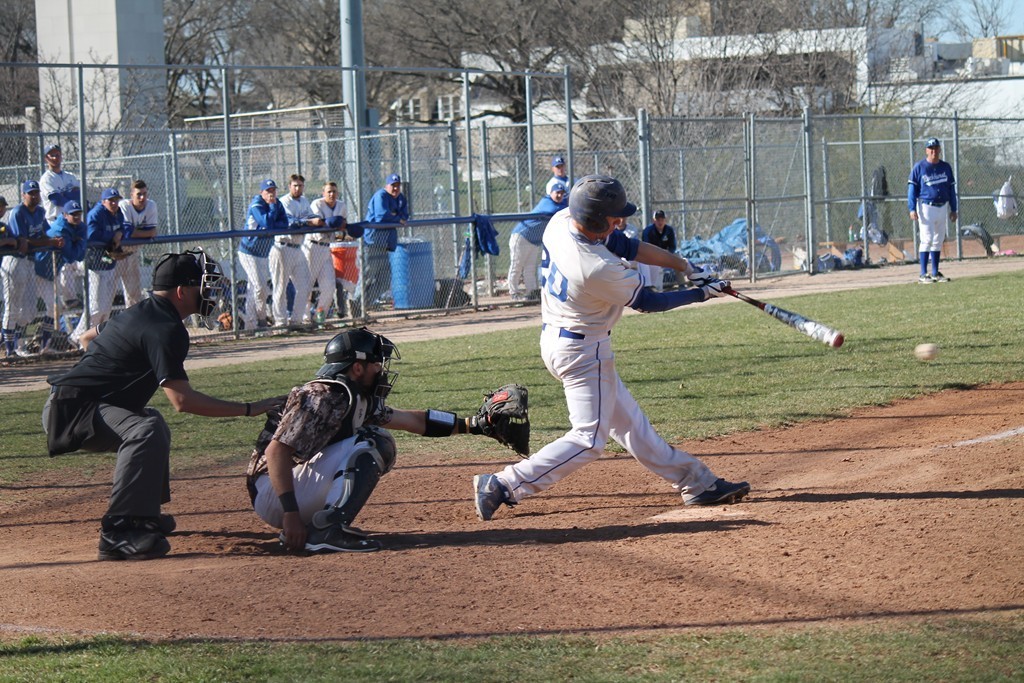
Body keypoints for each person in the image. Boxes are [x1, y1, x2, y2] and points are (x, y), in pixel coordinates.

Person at [473, 175, 750, 521]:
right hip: (583, 352)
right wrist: (701, 293)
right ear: (594, 220)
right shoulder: (594, 267)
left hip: (563, 339)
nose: (620, 221)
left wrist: (686, 267)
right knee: (589, 440)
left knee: (631, 424)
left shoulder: (561, 221)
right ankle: (502, 484)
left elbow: (628, 246)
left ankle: (696, 481)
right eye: (614, 217)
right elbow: (648, 301)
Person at [44, 249, 283, 561]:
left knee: (151, 421)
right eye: (204, 286)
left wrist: (106, 377)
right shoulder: (166, 328)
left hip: (72, 402)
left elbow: (89, 338)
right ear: (182, 291)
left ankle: (144, 513)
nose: (210, 293)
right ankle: (119, 530)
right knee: (146, 428)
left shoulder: (140, 311)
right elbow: (182, 401)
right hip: (73, 411)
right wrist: (251, 407)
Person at [246, 327, 518, 553]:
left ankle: (326, 526)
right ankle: (327, 531)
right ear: (357, 368)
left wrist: (474, 425)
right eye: (377, 364)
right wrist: (291, 514)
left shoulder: (352, 397)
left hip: (290, 486)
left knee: (377, 440)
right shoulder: (322, 396)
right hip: (274, 492)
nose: (382, 370)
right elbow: (275, 453)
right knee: (373, 441)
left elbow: (412, 421)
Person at [3, 180, 62, 357]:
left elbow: (45, 233)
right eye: (30, 193)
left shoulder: (40, 211)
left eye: (36, 192)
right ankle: (10, 349)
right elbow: (25, 242)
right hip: (14, 262)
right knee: (12, 307)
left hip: (29, 263)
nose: (34, 195)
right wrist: (50, 242)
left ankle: (11, 338)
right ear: (23, 195)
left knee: (30, 311)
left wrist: (55, 238)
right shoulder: (18, 212)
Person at [69, 188, 127, 348]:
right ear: (103, 201)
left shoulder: (118, 212)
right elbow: (91, 235)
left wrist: (120, 234)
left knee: (104, 308)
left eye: (116, 199)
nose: (114, 203)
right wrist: (112, 237)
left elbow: (124, 227)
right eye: (111, 200)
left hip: (108, 264)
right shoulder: (96, 214)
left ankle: (87, 339)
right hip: (93, 265)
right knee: (95, 307)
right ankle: (77, 337)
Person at [908, 137, 958, 284]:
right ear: (926, 150)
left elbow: (951, 189)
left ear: (939, 150)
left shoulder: (946, 167)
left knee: (938, 240)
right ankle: (923, 273)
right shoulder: (919, 167)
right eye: (931, 148)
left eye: (936, 148)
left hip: (942, 206)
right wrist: (912, 208)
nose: (933, 151)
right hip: (925, 206)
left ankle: (935, 272)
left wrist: (953, 208)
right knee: (927, 239)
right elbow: (911, 190)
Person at [507, 181, 567, 303]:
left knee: (530, 268)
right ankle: (513, 292)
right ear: (550, 193)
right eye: (557, 192)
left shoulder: (560, 203)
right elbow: (558, 210)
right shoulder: (548, 202)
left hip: (534, 240)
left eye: (562, 193)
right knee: (516, 266)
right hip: (522, 235)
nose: (559, 195)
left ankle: (532, 292)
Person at [238, 179, 285, 330]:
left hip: (264, 253)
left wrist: (275, 221)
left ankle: (250, 326)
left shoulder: (277, 203)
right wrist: (272, 208)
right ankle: (261, 320)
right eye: (268, 191)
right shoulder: (256, 204)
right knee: (259, 287)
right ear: (261, 193)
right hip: (249, 252)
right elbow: (267, 223)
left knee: (255, 289)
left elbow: (285, 224)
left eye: (273, 190)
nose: (271, 194)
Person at [308, 181, 359, 319]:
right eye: (329, 191)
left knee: (329, 286)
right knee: (308, 284)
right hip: (312, 246)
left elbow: (341, 226)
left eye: (334, 191)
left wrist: (346, 231)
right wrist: (334, 224)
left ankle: (319, 315)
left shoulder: (341, 205)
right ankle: (304, 318)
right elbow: (321, 224)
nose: (332, 194)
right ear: (323, 193)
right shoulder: (316, 204)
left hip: (327, 248)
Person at [276, 173, 320, 327]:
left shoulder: (304, 201)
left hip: (298, 248)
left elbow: (312, 216)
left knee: (305, 285)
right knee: (280, 287)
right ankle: (280, 323)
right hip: (283, 246)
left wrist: (318, 220)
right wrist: (309, 222)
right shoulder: (283, 202)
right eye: (295, 185)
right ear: (289, 186)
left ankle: (296, 320)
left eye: (300, 185)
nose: (297, 188)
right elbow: (291, 222)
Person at [362, 173, 409, 309]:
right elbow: (381, 216)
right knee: (368, 275)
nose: (395, 188)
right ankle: (355, 302)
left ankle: (363, 305)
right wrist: (396, 217)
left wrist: (394, 216)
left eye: (397, 186)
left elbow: (405, 215)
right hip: (373, 242)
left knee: (384, 280)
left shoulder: (400, 198)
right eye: (392, 185)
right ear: (386, 185)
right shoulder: (381, 195)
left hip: (385, 244)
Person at [117, 179, 159, 307]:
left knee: (134, 295)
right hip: (114, 253)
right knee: (106, 297)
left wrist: (138, 233)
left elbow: (153, 231)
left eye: (144, 194)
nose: (142, 198)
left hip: (132, 252)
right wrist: (144, 233)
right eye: (138, 195)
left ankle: (132, 325)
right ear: (131, 196)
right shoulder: (124, 205)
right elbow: (128, 233)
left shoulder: (151, 205)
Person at [39, 144, 81, 225]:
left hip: (73, 220)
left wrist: (64, 194)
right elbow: (57, 200)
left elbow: (79, 196)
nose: (55, 158)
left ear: (61, 156)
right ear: (46, 158)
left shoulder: (70, 176)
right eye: (52, 155)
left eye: (57, 155)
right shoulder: (46, 179)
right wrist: (70, 196)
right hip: (56, 221)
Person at [641, 210, 678, 291]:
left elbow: (672, 246)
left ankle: (682, 284)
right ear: (654, 220)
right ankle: (651, 287)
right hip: (652, 256)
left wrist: (668, 252)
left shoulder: (669, 230)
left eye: (662, 219)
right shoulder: (648, 231)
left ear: (665, 220)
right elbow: (646, 247)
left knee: (678, 258)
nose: (660, 222)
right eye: (658, 220)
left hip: (665, 254)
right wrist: (657, 253)